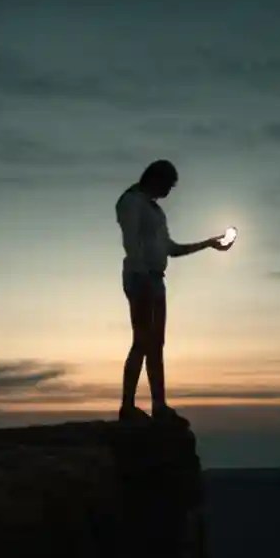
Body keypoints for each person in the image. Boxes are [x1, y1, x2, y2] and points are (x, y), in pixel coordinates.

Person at [116, 159, 233, 424]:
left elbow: (170, 248)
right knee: (142, 342)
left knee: (156, 344)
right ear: (156, 179)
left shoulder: (155, 211)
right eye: (168, 185)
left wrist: (208, 244)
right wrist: (142, 276)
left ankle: (159, 406)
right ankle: (127, 407)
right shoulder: (131, 202)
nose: (169, 192)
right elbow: (131, 242)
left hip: (156, 280)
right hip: (140, 278)